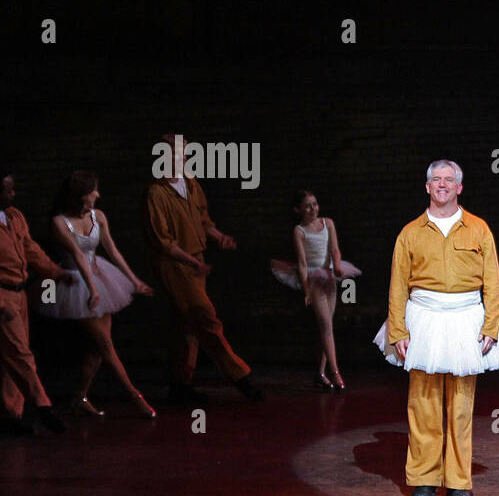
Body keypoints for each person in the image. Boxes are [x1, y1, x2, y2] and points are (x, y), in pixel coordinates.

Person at [374, 159, 499, 496]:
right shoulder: (410, 232)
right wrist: (398, 330)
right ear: (427, 187)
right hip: (423, 316)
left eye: (448, 180)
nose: (442, 184)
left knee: (462, 404)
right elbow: (397, 285)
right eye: (435, 180)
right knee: (422, 402)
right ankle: (423, 477)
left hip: (466, 317)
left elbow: (493, 281)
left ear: (459, 187)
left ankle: (458, 480)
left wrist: (491, 325)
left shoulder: (479, 228)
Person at [143, 133, 262, 405]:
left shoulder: (191, 184)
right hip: (175, 265)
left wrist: (218, 237)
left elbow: (204, 220)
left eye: (185, 152)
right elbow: (163, 243)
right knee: (205, 317)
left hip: (195, 261)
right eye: (178, 153)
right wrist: (193, 262)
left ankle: (180, 383)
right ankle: (240, 376)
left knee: (187, 326)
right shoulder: (156, 193)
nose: (184, 157)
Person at [38, 170, 156, 417]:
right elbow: (79, 255)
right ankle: (136, 397)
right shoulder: (59, 222)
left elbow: (113, 251)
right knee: (105, 344)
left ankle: (79, 396)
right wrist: (92, 290)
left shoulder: (98, 216)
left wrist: (134, 281)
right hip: (75, 283)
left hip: (101, 277)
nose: (98, 194)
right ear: (81, 196)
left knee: (96, 350)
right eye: (94, 191)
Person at [0, 170, 72, 434]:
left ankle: (11, 415)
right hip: (2, 296)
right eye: (8, 190)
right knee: (20, 354)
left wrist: (56, 272)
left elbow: (31, 250)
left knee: (10, 358)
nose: (13, 194)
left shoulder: (14, 216)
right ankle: (43, 407)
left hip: (19, 293)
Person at [270, 189, 362, 390]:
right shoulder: (299, 231)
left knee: (326, 327)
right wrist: (306, 290)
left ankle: (320, 373)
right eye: (307, 206)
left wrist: (337, 266)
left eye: (315, 204)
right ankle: (335, 372)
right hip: (313, 277)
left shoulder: (328, 223)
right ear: (298, 210)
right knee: (326, 326)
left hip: (328, 275)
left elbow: (335, 249)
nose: (313, 208)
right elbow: (302, 263)